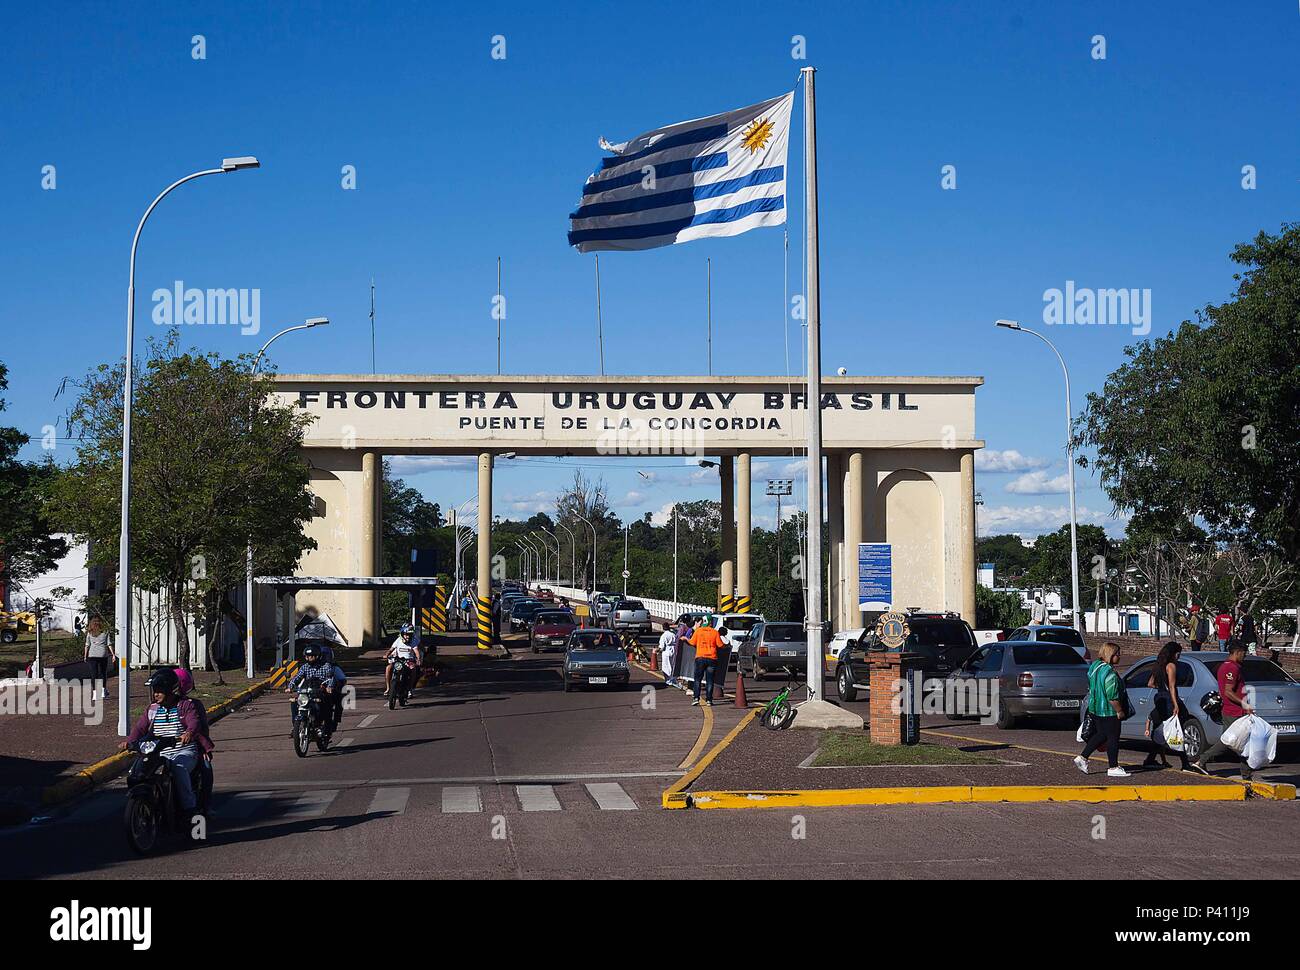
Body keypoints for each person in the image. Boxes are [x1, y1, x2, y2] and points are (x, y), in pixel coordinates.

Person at [120, 668, 212, 820]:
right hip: (159, 751)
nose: (155, 694)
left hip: (184, 751)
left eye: (160, 691)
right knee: (139, 771)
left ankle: (189, 809)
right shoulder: (152, 709)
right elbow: (140, 728)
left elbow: (194, 722)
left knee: (179, 769)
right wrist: (128, 742)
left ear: (171, 691)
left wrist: (188, 733)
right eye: (154, 690)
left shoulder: (186, 705)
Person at [1192, 639, 1254, 780]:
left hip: (1233, 710)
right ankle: (1202, 760)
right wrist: (1244, 704)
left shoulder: (1226, 666)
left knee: (1238, 742)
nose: (1245, 656)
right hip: (1234, 711)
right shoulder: (1232, 668)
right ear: (1238, 652)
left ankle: (1246, 774)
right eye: (1244, 653)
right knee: (1234, 742)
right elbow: (1228, 691)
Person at [1075, 641, 1130, 777]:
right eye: (1117, 654)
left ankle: (1083, 757)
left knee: (1101, 735)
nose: (1120, 656)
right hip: (1108, 710)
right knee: (1113, 738)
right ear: (1111, 655)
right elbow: (1112, 696)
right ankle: (1113, 767)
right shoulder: (1110, 673)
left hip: (1095, 708)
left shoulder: (1095, 667)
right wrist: (1119, 710)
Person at [1142, 641, 1190, 770]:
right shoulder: (1171, 666)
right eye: (1178, 653)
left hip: (1159, 698)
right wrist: (1175, 704)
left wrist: (1161, 687)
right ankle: (1185, 763)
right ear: (1174, 654)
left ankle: (1150, 758)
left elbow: (1150, 683)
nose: (1179, 656)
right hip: (1169, 699)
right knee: (1176, 729)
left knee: (1162, 729)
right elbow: (1172, 686)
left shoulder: (1158, 666)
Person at [286, 643, 342, 732]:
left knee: (327, 704)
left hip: (320, 691)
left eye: (311, 656)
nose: (309, 658)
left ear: (318, 656)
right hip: (307, 690)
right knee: (294, 702)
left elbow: (330, 678)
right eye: (307, 656)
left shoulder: (326, 666)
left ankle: (325, 727)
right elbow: (297, 677)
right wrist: (290, 686)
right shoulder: (304, 667)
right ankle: (295, 727)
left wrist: (329, 687)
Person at [685, 619, 725, 707]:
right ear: (711, 623)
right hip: (712, 658)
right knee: (709, 680)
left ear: (703, 623)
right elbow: (721, 645)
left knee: (697, 679)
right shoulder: (715, 632)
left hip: (700, 658)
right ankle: (709, 700)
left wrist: (685, 639)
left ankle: (696, 698)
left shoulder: (698, 631)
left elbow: (692, 642)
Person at [83, 616, 115, 701]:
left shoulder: (89, 633)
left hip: (92, 655)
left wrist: (85, 656)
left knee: (94, 674)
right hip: (103, 655)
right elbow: (109, 644)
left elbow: (87, 645)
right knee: (103, 673)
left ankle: (94, 694)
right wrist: (113, 655)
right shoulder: (105, 632)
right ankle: (103, 692)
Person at [384, 624, 420, 698]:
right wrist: (386, 655)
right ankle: (388, 688)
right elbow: (391, 649)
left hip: (409, 661)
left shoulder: (413, 641)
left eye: (409, 635)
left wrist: (418, 659)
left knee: (413, 669)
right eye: (406, 635)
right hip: (398, 661)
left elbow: (416, 651)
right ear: (402, 634)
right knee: (388, 668)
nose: (408, 636)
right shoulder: (398, 640)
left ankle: (410, 689)